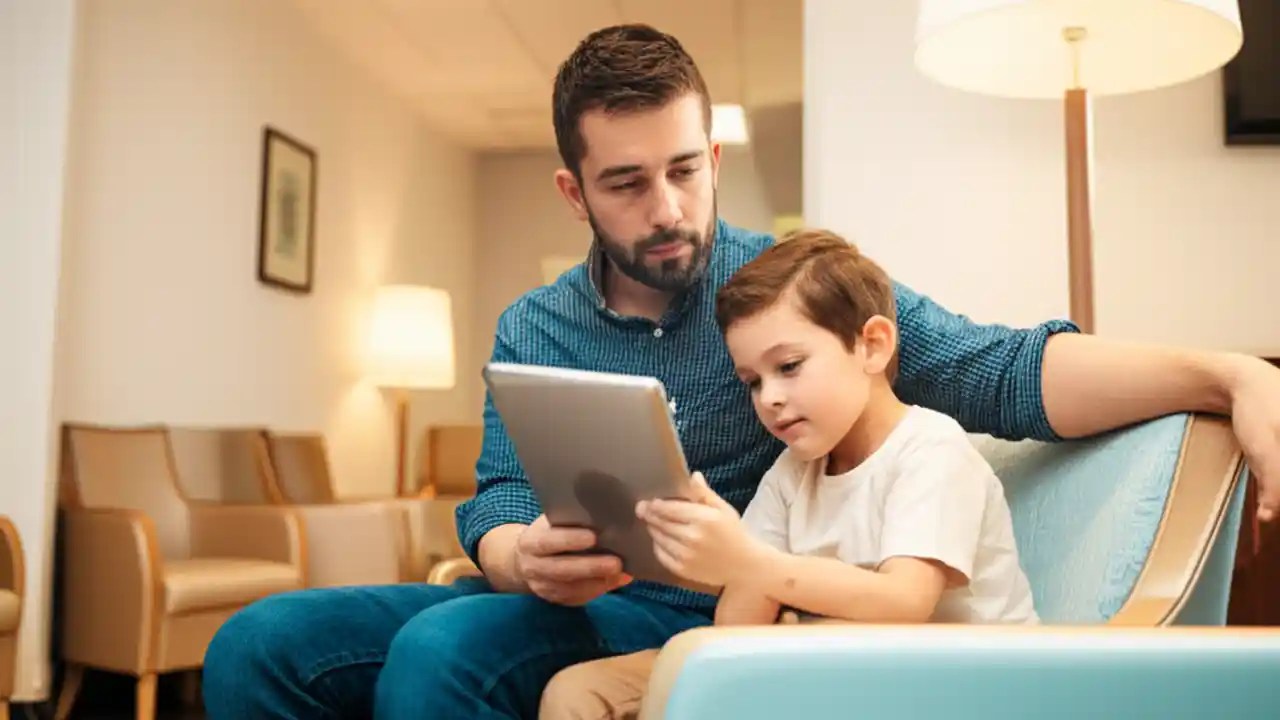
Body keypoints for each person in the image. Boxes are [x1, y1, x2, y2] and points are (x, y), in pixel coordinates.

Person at [202, 22, 1280, 720]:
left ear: (711, 158)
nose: (665, 208)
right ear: (573, 193)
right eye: (625, 183)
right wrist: (515, 549)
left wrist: (1225, 373)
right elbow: (496, 493)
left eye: (682, 170)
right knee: (257, 644)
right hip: (571, 602)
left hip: (729, 607)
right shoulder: (534, 323)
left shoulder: (792, 294)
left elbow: (1001, 371)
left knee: (441, 656)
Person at [539, 229, 1039, 718]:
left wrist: (751, 563)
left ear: (872, 345)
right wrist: (722, 558)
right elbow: (734, 631)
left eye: (790, 366)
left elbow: (904, 601)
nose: (769, 398)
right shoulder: (791, 474)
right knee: (577, 693)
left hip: (954, 686)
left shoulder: (931, 450)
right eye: (752, 382)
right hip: (832, 672)